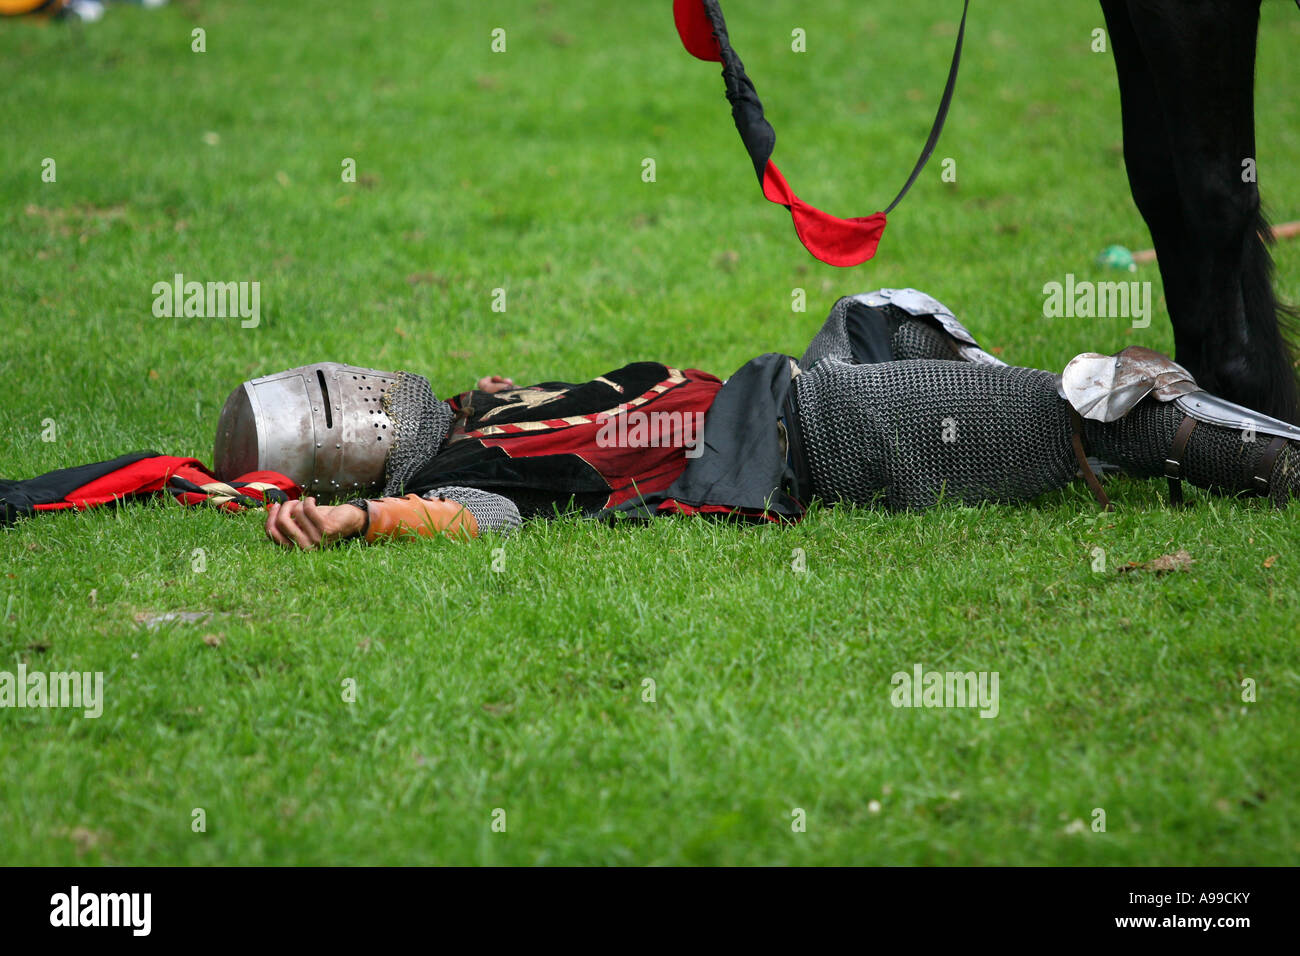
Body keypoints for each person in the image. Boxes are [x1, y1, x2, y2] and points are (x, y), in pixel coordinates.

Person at [251, 289, 1300, 551]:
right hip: (821, 432)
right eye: (356, 396)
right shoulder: (464, 470)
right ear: (359, 445)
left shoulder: (478, 408)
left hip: (802, 377)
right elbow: (490, 520)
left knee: (884, 310)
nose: (371, 380)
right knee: (1092, 399)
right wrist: (365, 524)